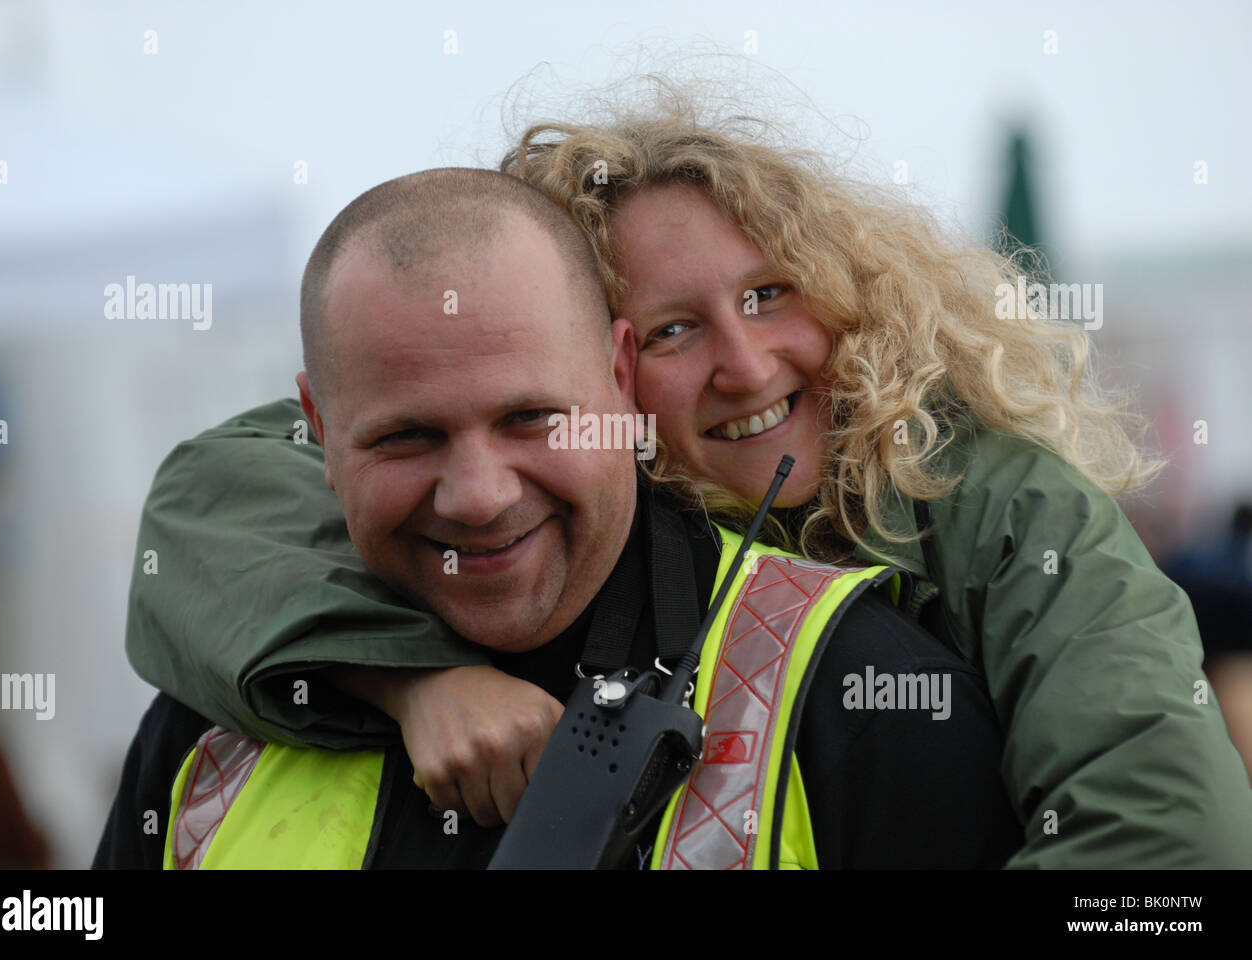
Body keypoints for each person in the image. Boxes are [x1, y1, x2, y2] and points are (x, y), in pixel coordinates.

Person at [114, 96, 1252, 867]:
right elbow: (212, 496)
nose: (747, 363)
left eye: (768, 295)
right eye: (674, 329)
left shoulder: (991, 518)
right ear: (613, 365)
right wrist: (408, 681)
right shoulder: (228, 710)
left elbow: (1165, 835)